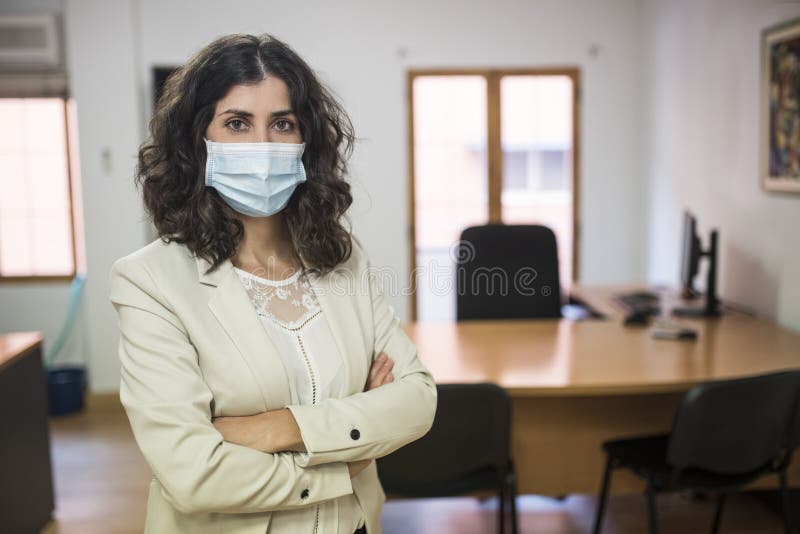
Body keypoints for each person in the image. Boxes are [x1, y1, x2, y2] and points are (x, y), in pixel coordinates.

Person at [108, 33, 437, 534]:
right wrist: (347, 458)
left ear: (306, 142)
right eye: (237, 123)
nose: (262, 145)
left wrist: (275, 428)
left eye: (282, 124)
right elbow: (194, 474)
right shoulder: (149, 282)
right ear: (197, 141)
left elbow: (416, 400)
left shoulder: (344, 259)